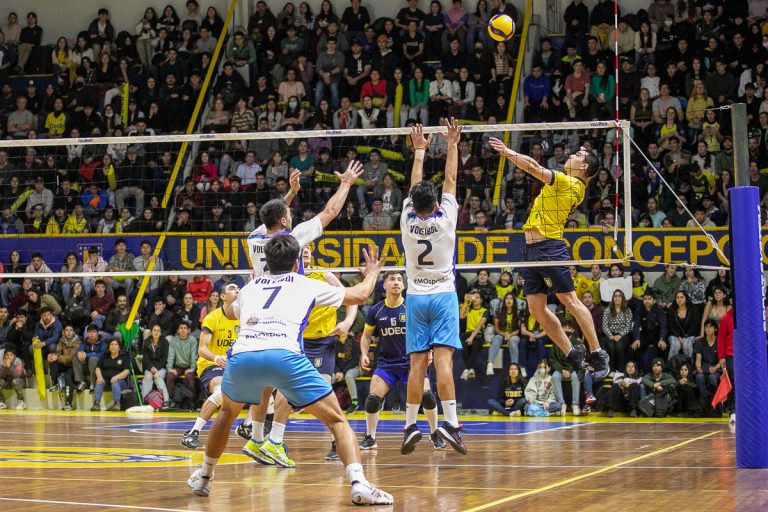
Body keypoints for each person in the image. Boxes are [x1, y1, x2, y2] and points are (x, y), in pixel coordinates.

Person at [187, 235, 393, 506]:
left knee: (226, 414)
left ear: (267, 263)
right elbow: (360, 295)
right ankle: (359, 483)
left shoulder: (250, 288)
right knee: (337, 420)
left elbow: (231, 312)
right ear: (297, 263)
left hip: (244, 355)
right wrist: (373, 273)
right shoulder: (306, 283)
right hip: (284, 354)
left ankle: (204, 476)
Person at [239, 161, 364, 464]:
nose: (292, 215)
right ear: (285, 220)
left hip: (258, 314)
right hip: (288, 316)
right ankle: (275, 441)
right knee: (287, 380)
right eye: (289, 213)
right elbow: (330, 211)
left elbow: (272, 217)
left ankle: (257, 438)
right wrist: (346, 183)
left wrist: (291, 194)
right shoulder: (293, 240)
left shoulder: (254, 240)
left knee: (265, 381)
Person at [490, 138, 610, 378]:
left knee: (570, 301)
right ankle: (572, 354)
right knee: (536, 309)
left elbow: (534, 167)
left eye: (577, 155)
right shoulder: (569, 184)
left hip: (550, 248)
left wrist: (507, 152)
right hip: (532, 250)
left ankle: (598, 352)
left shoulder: (570, 182)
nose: (571, 155)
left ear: (584, 167)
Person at [399, 119, 466, 455]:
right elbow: (451, 181)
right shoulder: (446, 219)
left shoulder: (406, 219)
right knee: (443, 363)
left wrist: (420, 151)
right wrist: (452, 144)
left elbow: (415, 186)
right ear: (436, 205)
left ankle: (410, 425)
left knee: (416, 364)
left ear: (414, 205)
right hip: (442, 295)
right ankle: (451, 424)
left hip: (415, 297)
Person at [358, 271, 445, 451]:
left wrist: (429, 350)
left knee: (428, 397)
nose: (396, 282)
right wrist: (364, 354)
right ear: (384, 285)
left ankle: (435, 433)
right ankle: (370, 437)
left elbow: (426, 331)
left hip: (412, 363)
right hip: (387, 363)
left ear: (404, 286)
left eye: (399, 280)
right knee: (372, 400)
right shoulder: (376, 310)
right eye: (392, 279)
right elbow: (366, 336)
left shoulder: (411, 307)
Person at [180, 282, 240, 449]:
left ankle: (251, 427)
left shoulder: (245, 318)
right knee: (221, 391)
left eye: (238, 288)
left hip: (234, 366)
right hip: (211, 363)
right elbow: (202, 349)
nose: (237, 290)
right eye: (232, 288)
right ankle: (193, 432)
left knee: (265, 386)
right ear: (223, 296)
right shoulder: (212, 318)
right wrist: (216, 358)